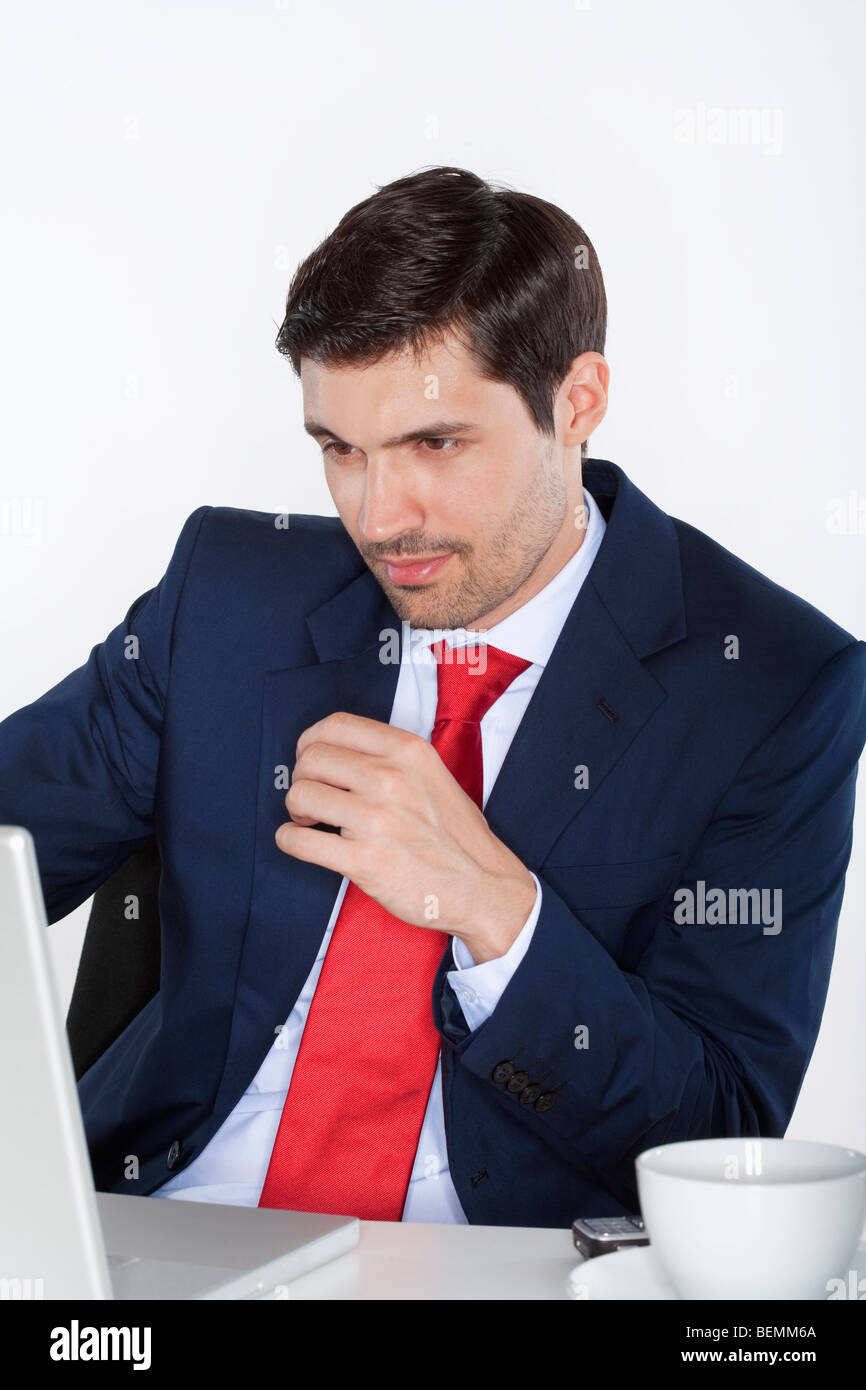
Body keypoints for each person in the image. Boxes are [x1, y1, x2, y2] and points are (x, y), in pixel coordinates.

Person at [1, 166, 864, 1229]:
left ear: (576, 399)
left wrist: (494, 908)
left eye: (434, 443)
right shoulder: (227, 598)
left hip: (495, 1269)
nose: (379, 517)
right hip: (163, 1232)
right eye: (338, 451)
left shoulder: (770, 687)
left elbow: (715, 1138)